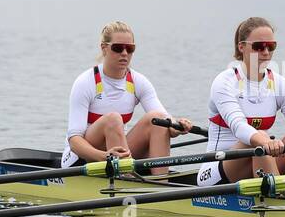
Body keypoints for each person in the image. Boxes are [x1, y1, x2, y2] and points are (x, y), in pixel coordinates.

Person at [195, 16, 285, 190]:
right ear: (241, 47)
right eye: (258, 46)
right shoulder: (225, 82)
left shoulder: (281, 84)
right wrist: (265, 141)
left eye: (271, 46)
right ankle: (279, 201)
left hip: (259, 162)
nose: (266, 52)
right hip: (218, 171)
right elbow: (239, 127)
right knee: (259, 138)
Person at [63, 21, 192, 173]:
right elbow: (74, 141)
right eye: (118, 48)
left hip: (117, 154)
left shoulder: (138, 82)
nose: (124, 53)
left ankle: (161, 183)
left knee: (158, 119)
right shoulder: (85, 82)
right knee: (113, 119)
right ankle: (127, 181)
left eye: (130, 48)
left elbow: (167, 122)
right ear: (104, 48)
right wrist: (105, 157)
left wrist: (178, 125)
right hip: (81, 158)